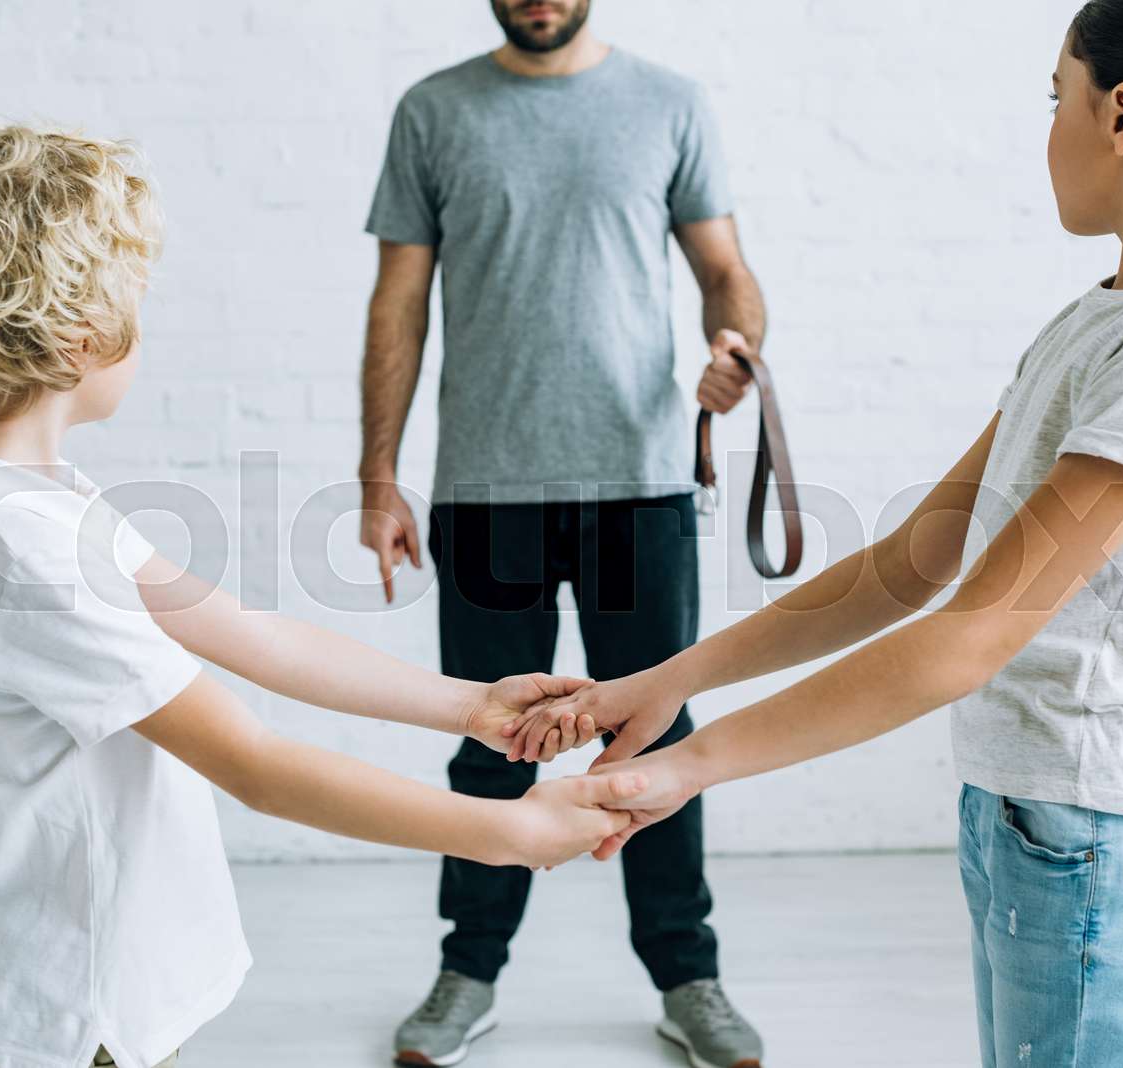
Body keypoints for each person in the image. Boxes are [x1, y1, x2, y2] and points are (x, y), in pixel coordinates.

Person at [510, 1, 1123, 1063]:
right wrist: (670, 681)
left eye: (1057, 98)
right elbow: (913, 563)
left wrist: (688, 767)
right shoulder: (1103, 319)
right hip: (1032, 823)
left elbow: (968, 637)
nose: (1047, 127)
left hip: (1101, 842)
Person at [0, 119, 643, 1068]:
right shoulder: (21, 549)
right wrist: (504, 832)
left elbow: (249, 634)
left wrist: (470, 706)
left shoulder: (34, 500)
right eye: (136, 302)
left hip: (100, 989)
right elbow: (255, 766)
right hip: (71, 1015)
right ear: (79, 336)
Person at [358, 2, 769, 1065]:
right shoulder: (434, 110)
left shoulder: (669, 103)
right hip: (486, 491)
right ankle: (468, 971)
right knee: (488, 742)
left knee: (658, 738)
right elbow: (398, 300)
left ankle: (688, 978)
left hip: (640, 486)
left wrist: (735, 344)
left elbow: (723, 269)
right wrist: (378, 474)